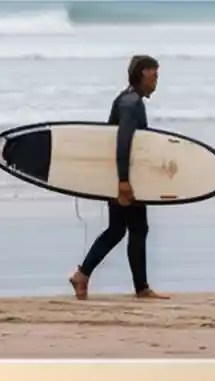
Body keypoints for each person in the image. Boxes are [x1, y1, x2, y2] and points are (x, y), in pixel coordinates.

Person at [68, 55, 171, 301]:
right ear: (143, 73)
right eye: (154, 75)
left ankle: (82, 276)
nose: (157, 81)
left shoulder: (126, 99)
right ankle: (141, 288)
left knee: (118, 229)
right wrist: (124, 182)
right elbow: (122, 141)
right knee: (136, 228)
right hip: (124, 178)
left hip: (119, 175)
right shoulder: (131, 103)